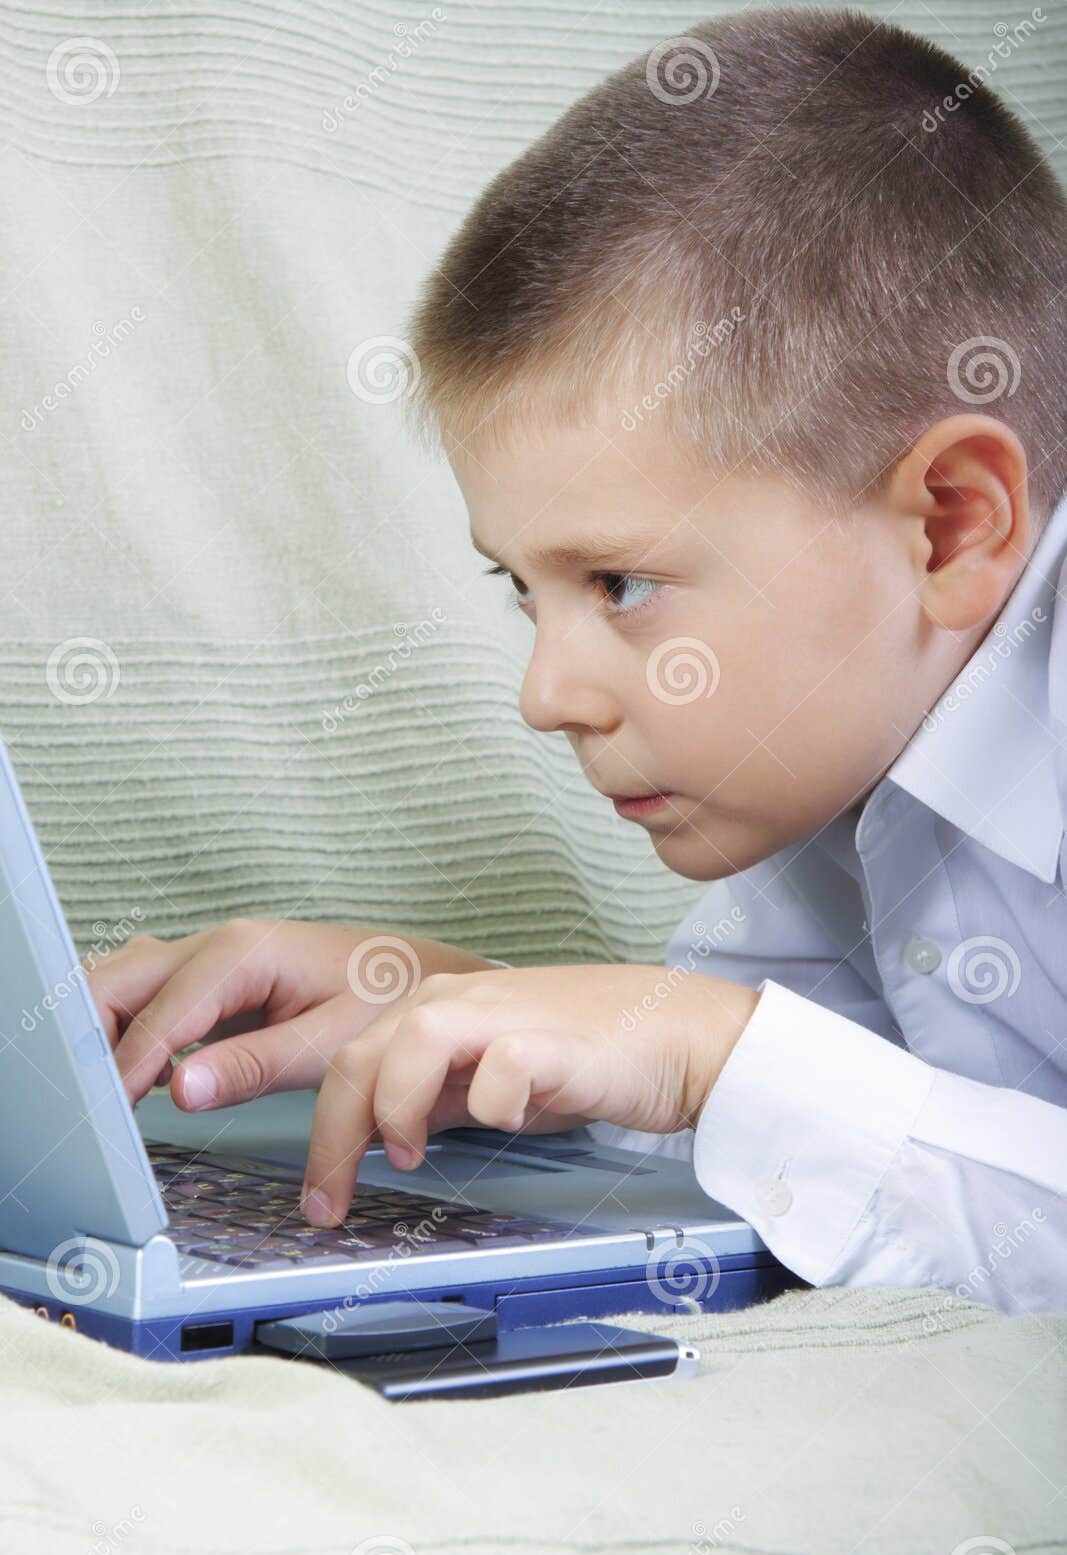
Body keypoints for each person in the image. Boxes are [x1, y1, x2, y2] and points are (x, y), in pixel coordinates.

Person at [89, 7, 1067, 1311]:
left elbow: (749, 1075)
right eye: (522, 589)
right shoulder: (829, 773)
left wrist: (709, 1052)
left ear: (951, 521)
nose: (545, 695)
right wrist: (471, 1014)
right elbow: (813, 1122)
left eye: (623, 582)